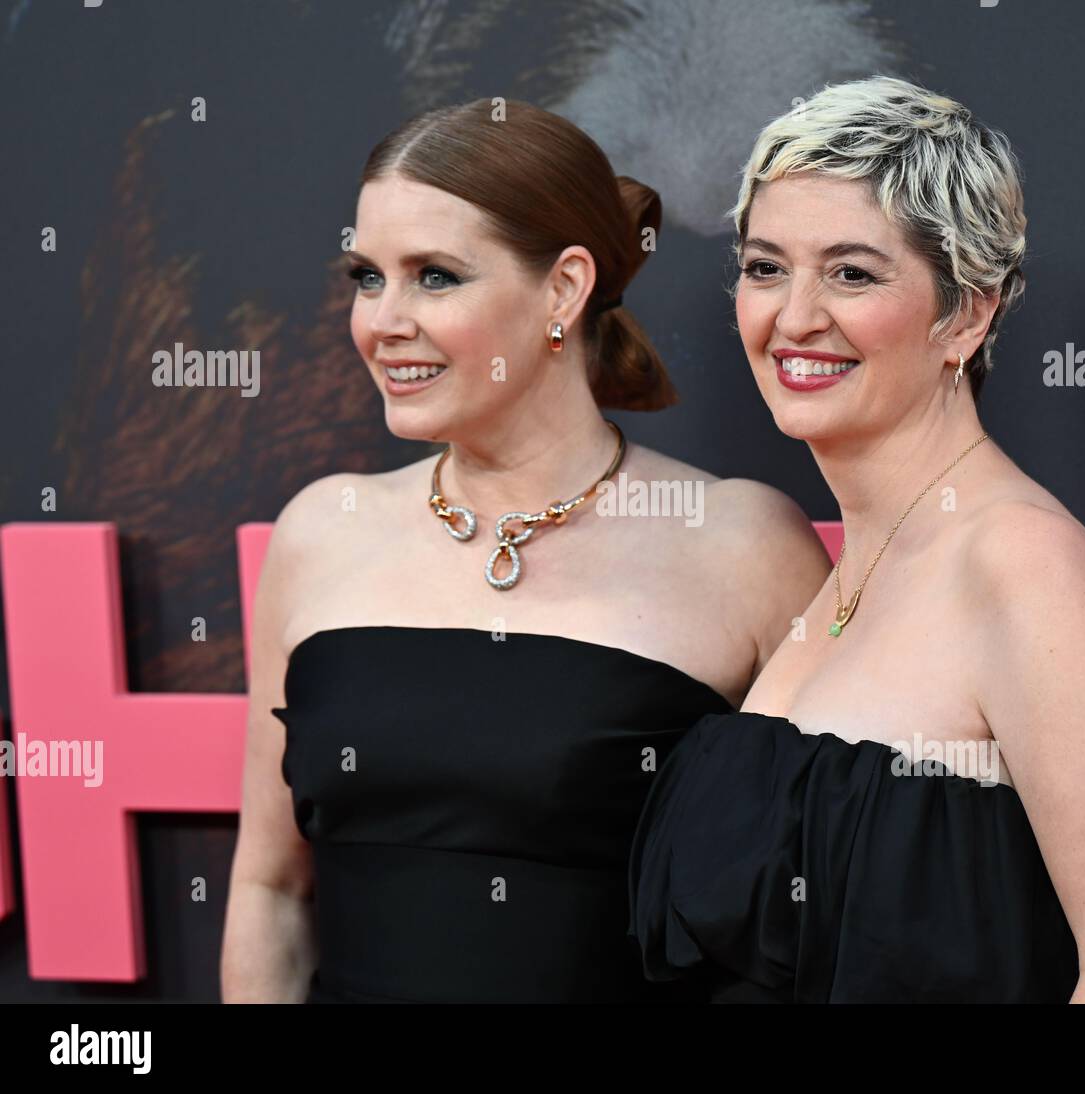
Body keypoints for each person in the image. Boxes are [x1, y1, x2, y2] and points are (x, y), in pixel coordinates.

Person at [220, 99, 830, 1002]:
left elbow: (814, 923)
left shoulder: (745, 544)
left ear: (564, 288)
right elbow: (270, 890)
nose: (382, 321)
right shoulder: (321, 530)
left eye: (434, 276)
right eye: (366, 275)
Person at [628, 76, 1085, 1003]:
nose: (794, 316)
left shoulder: (1022, 565)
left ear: (966, 315)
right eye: (766, 266)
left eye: (852, 273)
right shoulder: (849, 568)